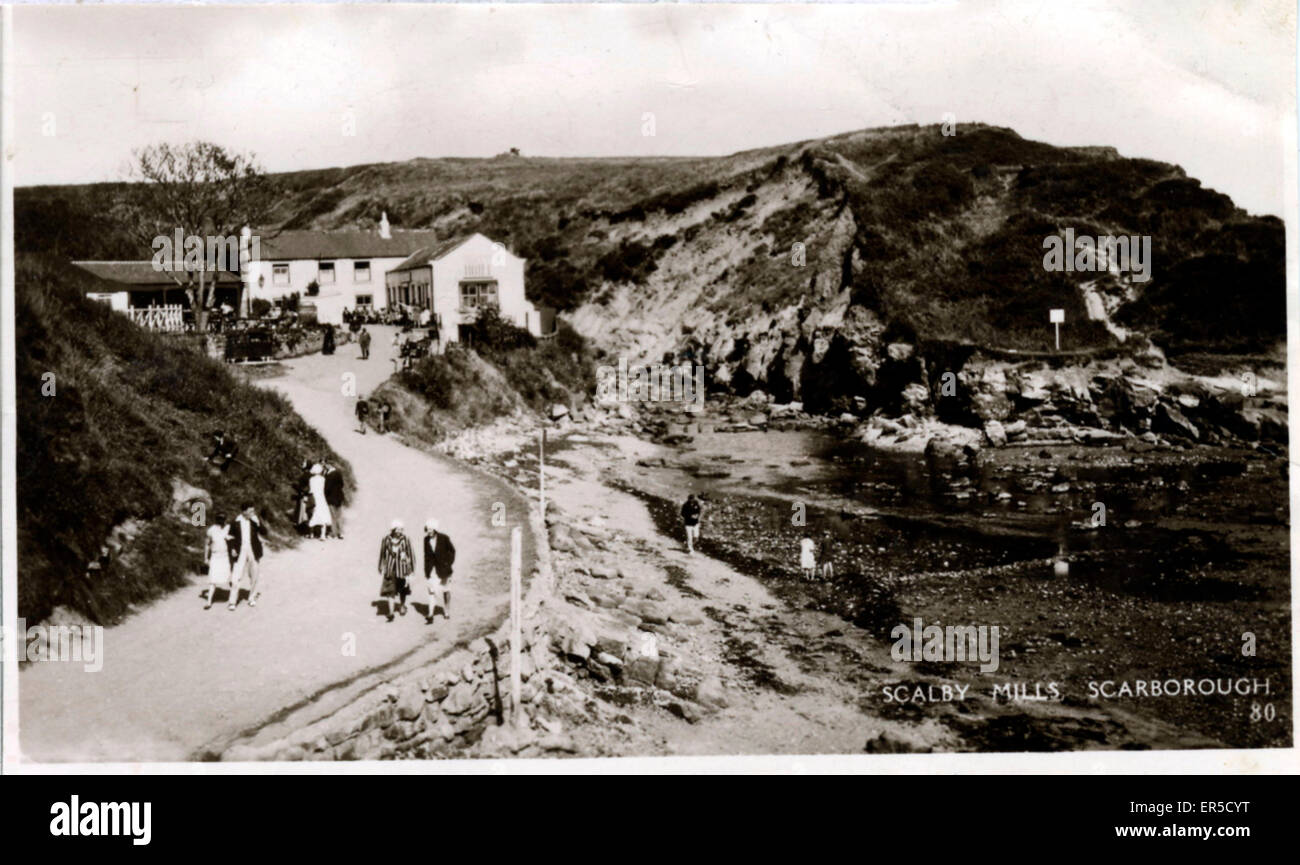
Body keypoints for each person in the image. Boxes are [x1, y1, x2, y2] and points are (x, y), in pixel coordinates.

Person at [228, 502, 264, 609]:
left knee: (254, 575)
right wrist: (232, 548)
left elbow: (264, 532)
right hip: (240, 550)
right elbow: (229, 537)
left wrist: (258, 523)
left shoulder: (254, 521)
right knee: (236, 576)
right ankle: (232, 602)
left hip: (253, 550)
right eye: (250, 511)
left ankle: (252, 598)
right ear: (243, 512)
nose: (252, 513)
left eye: (253, 511)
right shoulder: (235, 522)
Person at [378, 520, 415, 622]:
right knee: (390, 590)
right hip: (390, 569)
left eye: (401, 529)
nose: (399, 531)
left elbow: (411, 555)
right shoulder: (386, 539)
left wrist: (411, 569)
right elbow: (382, 553)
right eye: (397, 529)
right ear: (393, 529)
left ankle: (402, 606)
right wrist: (380, 566)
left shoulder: (406, 539)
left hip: (402, 569)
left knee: (403, 589)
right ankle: (391, 612)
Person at [422, 517, 456, 624]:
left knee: (446, 591)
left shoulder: (444, 538)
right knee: (431, 591)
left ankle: (446, 610)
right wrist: (426, 570)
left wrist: (448, 563)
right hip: (432, 570)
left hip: (444, 570)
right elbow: (426, 556)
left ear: (435, 530)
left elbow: (452, 551)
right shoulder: (426, 540)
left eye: (431, 530)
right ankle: (430, 614)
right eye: (427, 530)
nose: (429, 532)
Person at [203, 512, 232, 610]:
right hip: (215, 556)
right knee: (212, 579)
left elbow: (235, 538)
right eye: (220, 519)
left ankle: (232, 599)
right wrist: (206, 558)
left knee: (229, 577)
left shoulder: (228, 528)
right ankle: (209, 601)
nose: (222, 521)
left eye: (223, 519)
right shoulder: (211, 530)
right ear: (216, 520)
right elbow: (207, 544)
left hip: (225, 556)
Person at [308, 464, 331, 540]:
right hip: (321, 498)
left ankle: (311, 534)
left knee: (313, 515)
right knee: (323, 515)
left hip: (314, 497)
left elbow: (311, 490)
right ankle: (323, 535)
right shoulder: (323, 479)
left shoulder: (311, 479)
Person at [323, 461, 345, 540]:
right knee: (339, 515)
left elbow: (327, 488)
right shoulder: (338, 473)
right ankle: (341, 533)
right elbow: (342, 484)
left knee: (332, 516)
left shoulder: (329, 475)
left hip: (331, 498)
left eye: (326, 465)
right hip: (339, 497)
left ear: (329, 465)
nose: (325, 466)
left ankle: (333, 533)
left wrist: (325, 495)